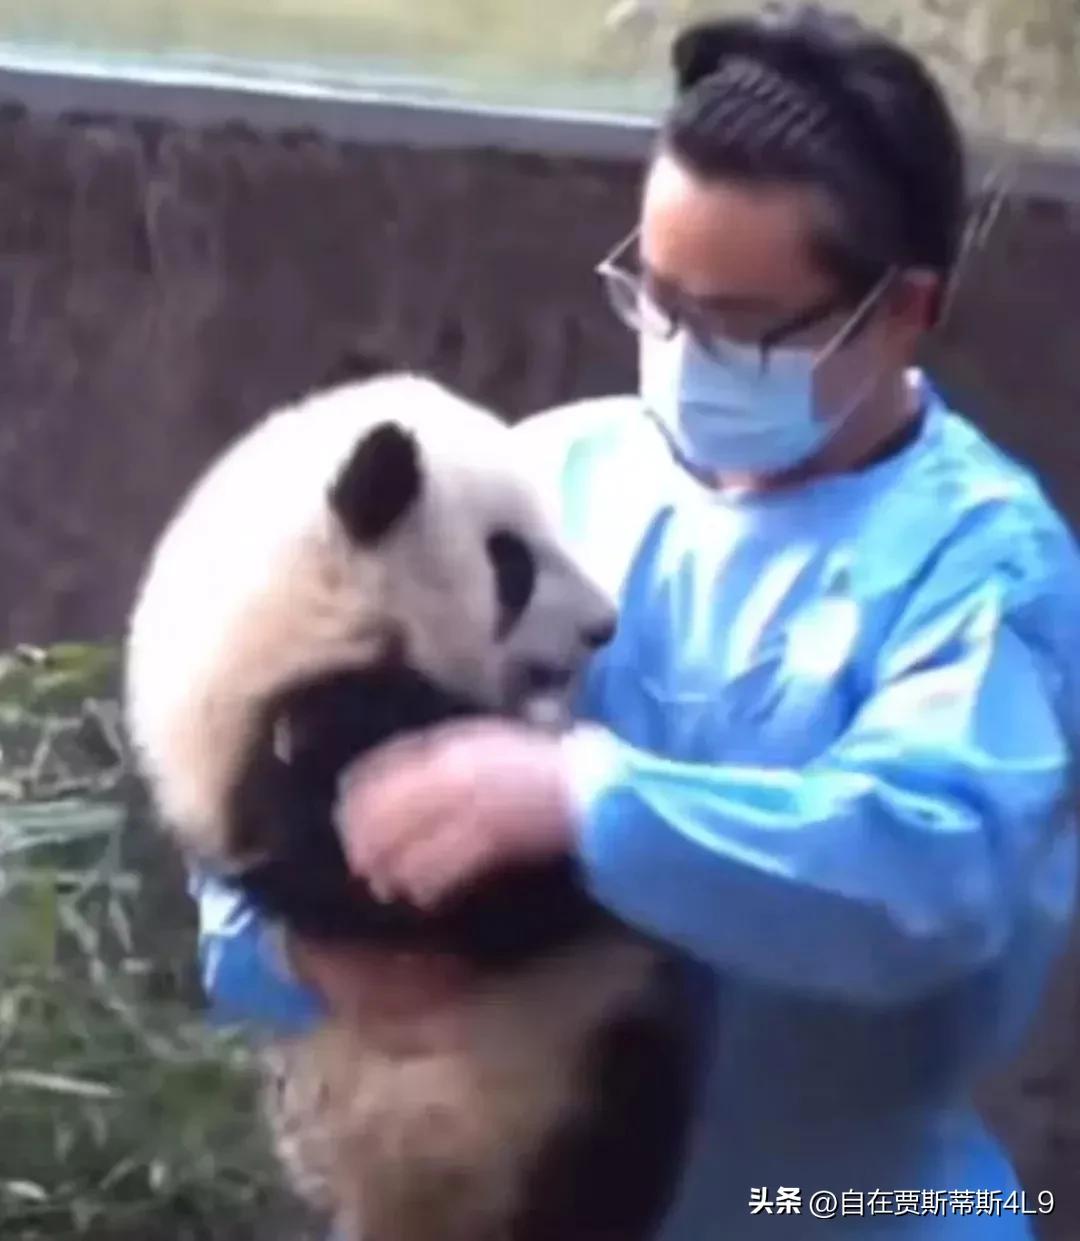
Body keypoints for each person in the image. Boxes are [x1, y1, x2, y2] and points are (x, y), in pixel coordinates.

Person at [192, 5, 1080, 1237]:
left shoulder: (982, 567)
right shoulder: (545, 478)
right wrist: (298, 946)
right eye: (656, 296)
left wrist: (584, 800)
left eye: (739, 321)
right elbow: (261, 747)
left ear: (901, 311)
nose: (680, 346)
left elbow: (926, 872)